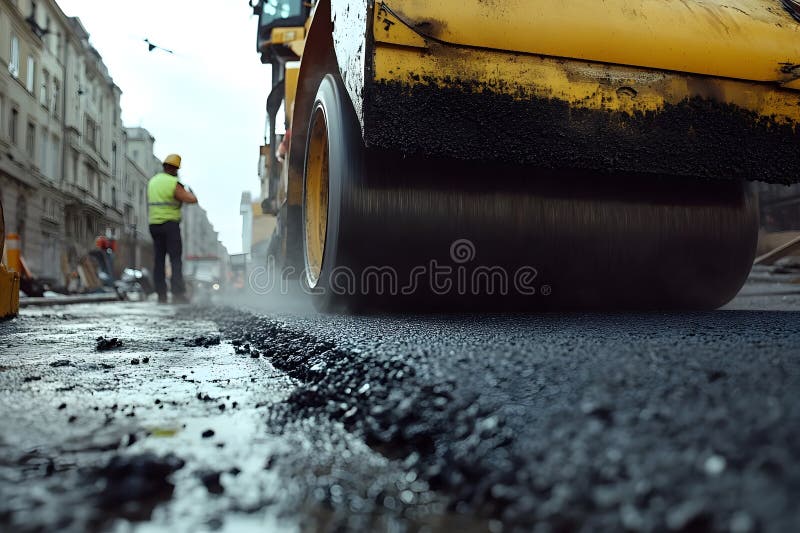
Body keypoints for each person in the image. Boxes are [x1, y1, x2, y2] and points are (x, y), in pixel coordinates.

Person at [147, 154, 198, 304]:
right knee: (175, 259)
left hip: (154, 225)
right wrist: (189, 190)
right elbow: (191, 200)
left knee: (159, 260)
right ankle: (178, 294)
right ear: (175, 168)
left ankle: (161, 295)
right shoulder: (174, 183)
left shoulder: (153, 182)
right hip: (170, 225)